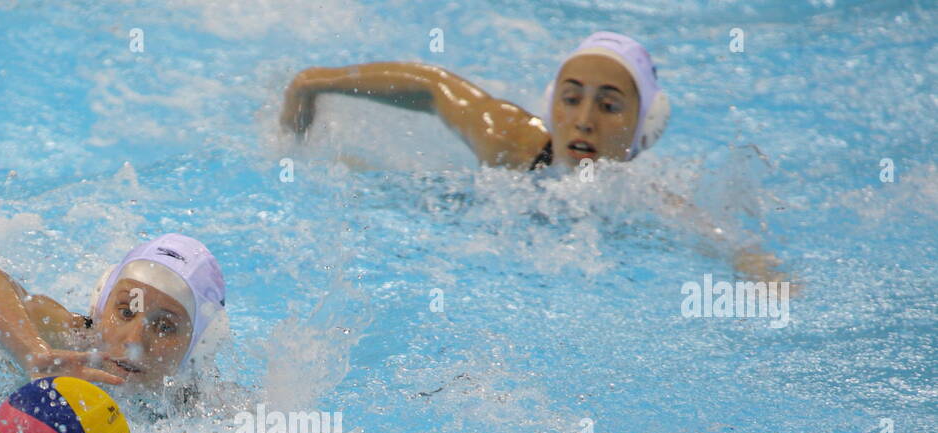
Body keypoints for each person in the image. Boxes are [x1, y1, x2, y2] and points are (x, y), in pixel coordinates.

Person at [281, 32, 786, 281]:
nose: (584, 119)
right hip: (466, 205)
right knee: (366, 181)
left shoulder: (641, 197)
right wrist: (316, 82)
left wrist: (756, 266)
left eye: (609, 105)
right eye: (570, 98)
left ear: (644, 127)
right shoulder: (514, 143)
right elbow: (434, 88)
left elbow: (721, 240)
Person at [0, 233, 227, 394]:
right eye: (126, 312)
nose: (133, 341)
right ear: (100, 307)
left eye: (165, 327)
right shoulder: (73, 338)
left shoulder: (201, 411)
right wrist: (31, 353)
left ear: (199, 344)